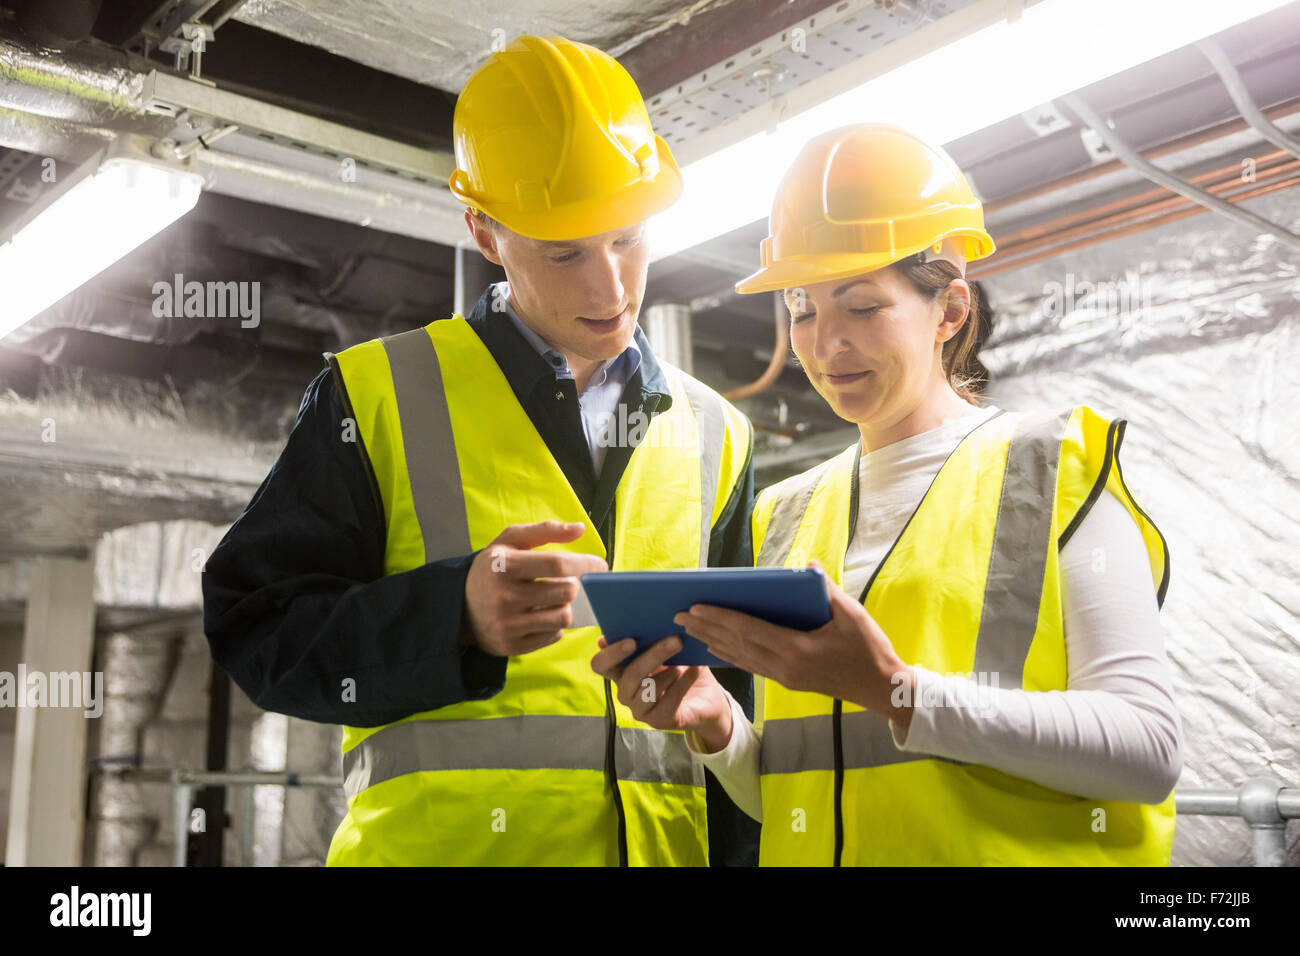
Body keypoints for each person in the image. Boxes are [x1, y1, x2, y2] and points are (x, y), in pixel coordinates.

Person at [203, 34, 759, 866]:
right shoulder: (375, 395)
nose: (610, 288)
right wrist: (450, 616)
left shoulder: (719, 431)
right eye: (565, 251)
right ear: (486, 233)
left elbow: (738, 710)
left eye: (629, 239)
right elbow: (259, 634)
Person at [593, 123, 1182, 865]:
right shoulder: (788, 512)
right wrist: (717, 726)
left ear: (950, 312)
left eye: (863, 306)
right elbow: (806, 795)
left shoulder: (1054, 470)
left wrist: (897, 691)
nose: (826, 342)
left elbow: (1149, 751)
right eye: (803, 307)